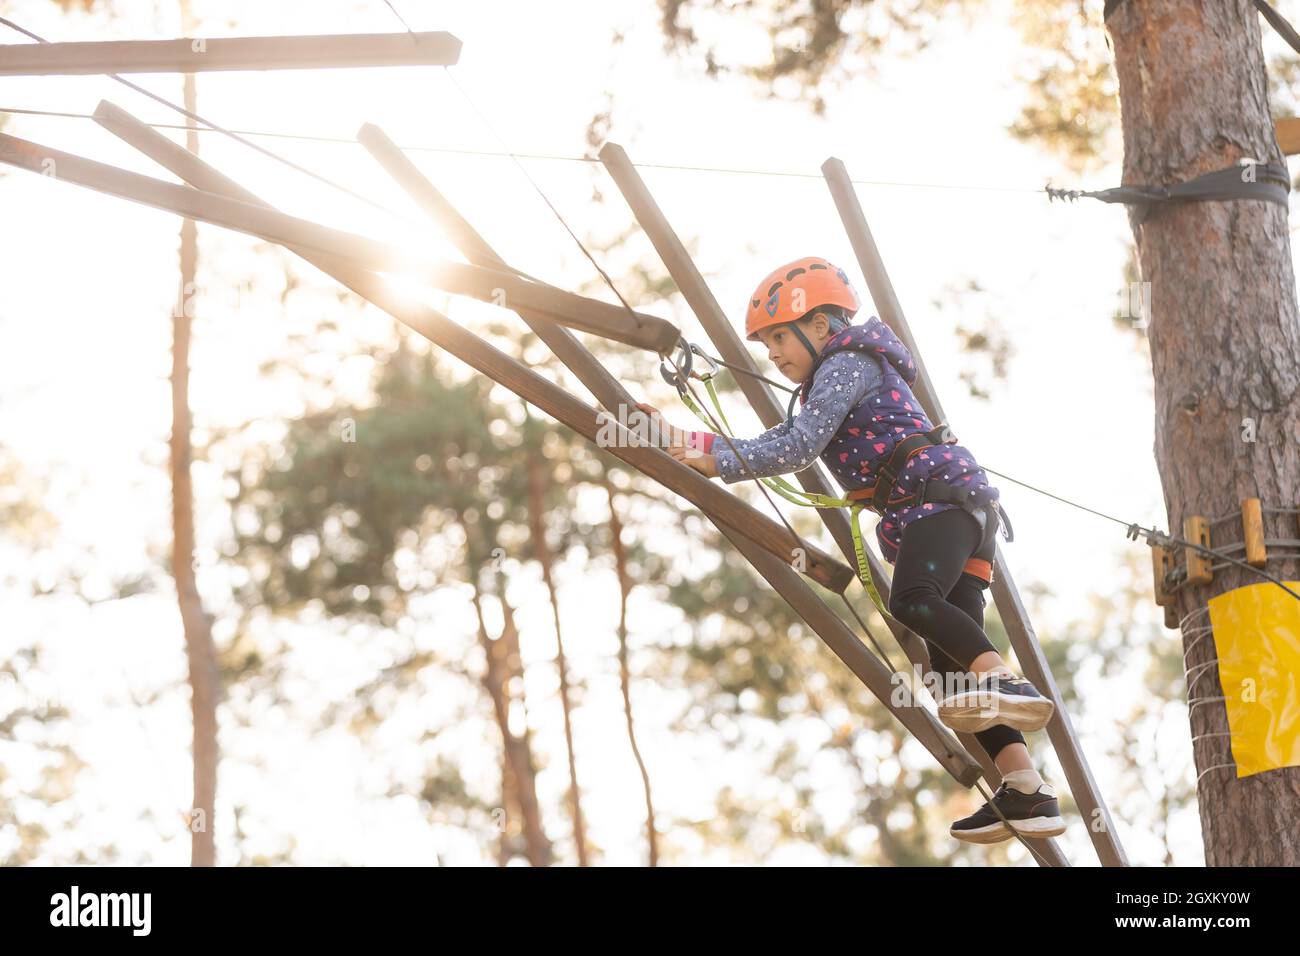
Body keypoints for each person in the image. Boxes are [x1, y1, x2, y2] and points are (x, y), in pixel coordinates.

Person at [638, 256, 1065, 844]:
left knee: (913, 601)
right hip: (952, 512)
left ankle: (1007, 682)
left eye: (778, 339)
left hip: (938, 507)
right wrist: (686, 440)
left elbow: (798, 446)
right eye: (764, 347)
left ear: (819, 327)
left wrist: (718, 460)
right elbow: (776, 440)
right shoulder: (837, 375)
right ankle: (1027, 793)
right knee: (949, 675)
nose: (773, 355)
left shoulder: (845, 363)